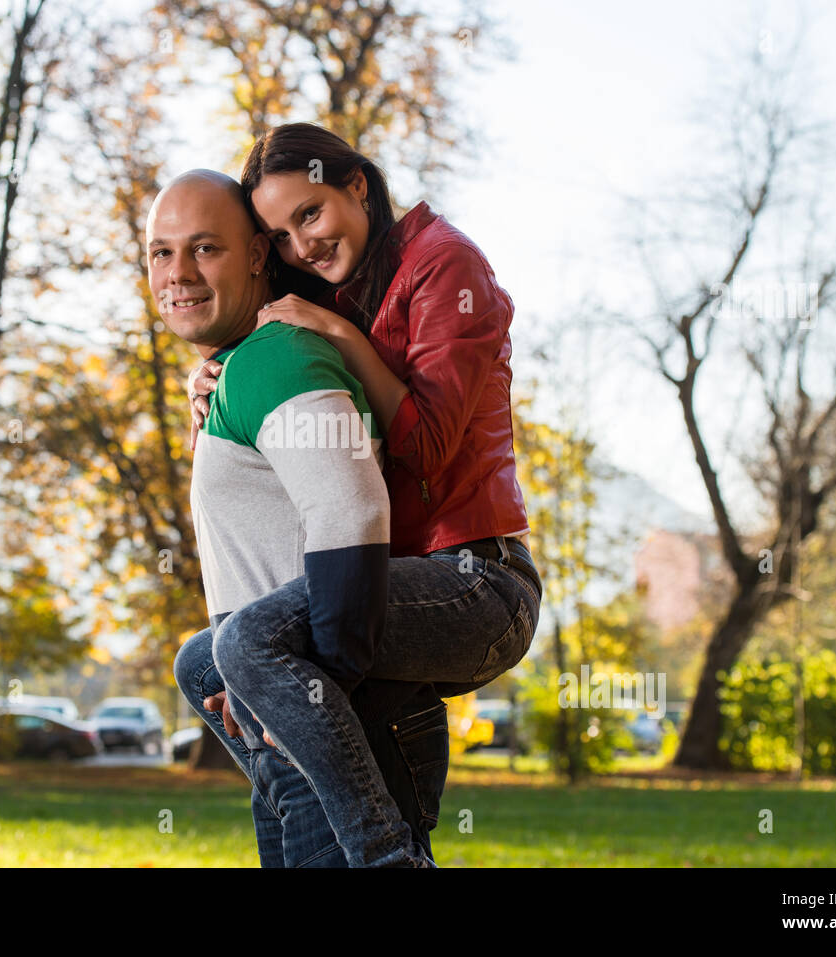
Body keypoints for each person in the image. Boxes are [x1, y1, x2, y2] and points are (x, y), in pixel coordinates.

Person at [186, 123, 543, 867]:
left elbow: (428, 445)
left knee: (250, 644)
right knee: (204, 663)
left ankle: (386, 860)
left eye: (309, 214)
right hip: (392, 591)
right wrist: (213, 373)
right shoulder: (342, 288)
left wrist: (336, 332)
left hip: (476, 580)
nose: (300, 246)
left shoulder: (445, 264)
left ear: (357, 184)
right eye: (279, 236)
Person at [150, 169, 448, 867]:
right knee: (196, 659)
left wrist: (317, 687)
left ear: (258, 254)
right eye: (161, 252)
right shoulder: (242, 367)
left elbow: (351, 506)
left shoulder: (281, 354)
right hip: (294, 711)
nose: (179, 272)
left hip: (331, 711)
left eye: (205, 249)